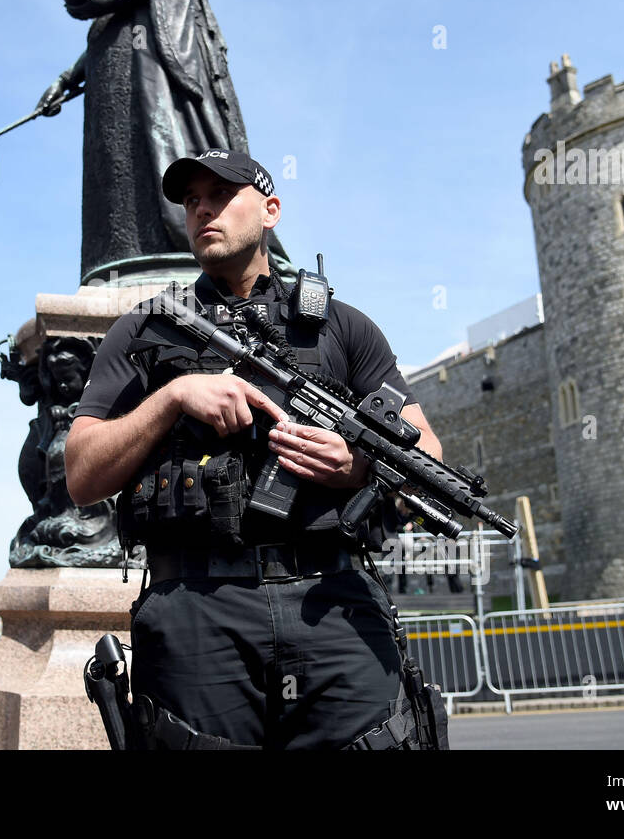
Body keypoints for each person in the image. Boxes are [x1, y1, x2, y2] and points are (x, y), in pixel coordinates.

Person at [64, 148, 444, 749]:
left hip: (334, 602)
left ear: (271, 210)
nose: (202, 211)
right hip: (195, 612)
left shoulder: (342, 327)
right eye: (191, 201)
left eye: (221, 195)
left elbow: (428, 458)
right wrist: (173, 398)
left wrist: (358, 467)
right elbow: (82, 475)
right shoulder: (145, 329)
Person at [35, 0, 288, 280]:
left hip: (149, 66)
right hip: (112, 75)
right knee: (117, 161)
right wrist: (67, 79)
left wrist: (103, 0)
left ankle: (177, 238)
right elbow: (109, 27)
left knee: (156, 150)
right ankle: (121, 260)